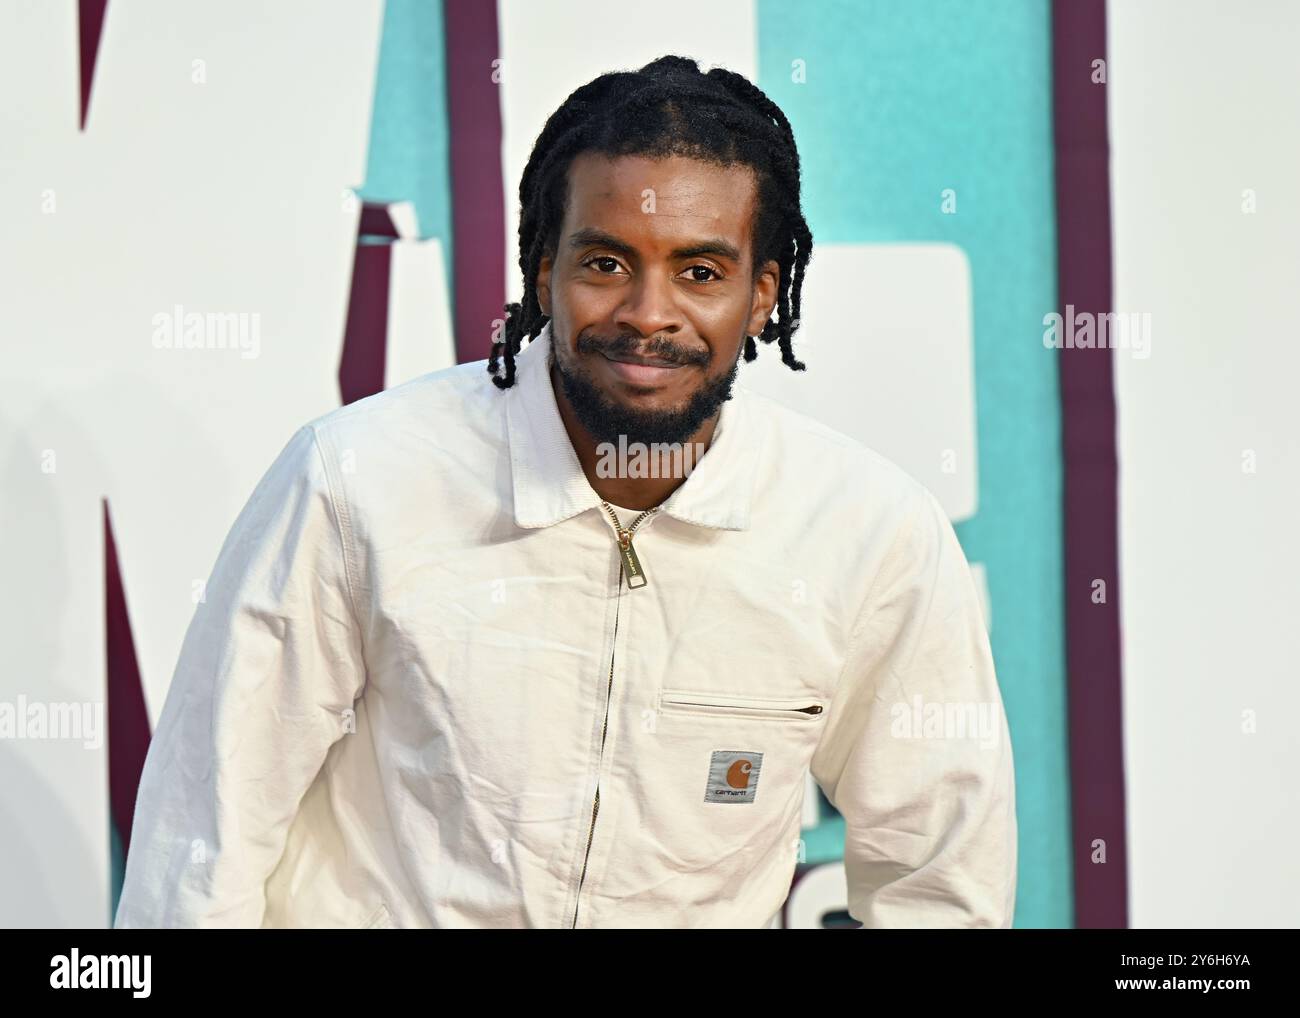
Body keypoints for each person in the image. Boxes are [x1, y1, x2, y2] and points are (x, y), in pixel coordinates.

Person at [114, 54, 1016, 929]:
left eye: (699, 273)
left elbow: (941, 877)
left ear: (761, 296)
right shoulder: (359, 480)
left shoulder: (869, 534)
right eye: (606, 263)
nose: (648, 314)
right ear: (543, 268)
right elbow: (209, 828)